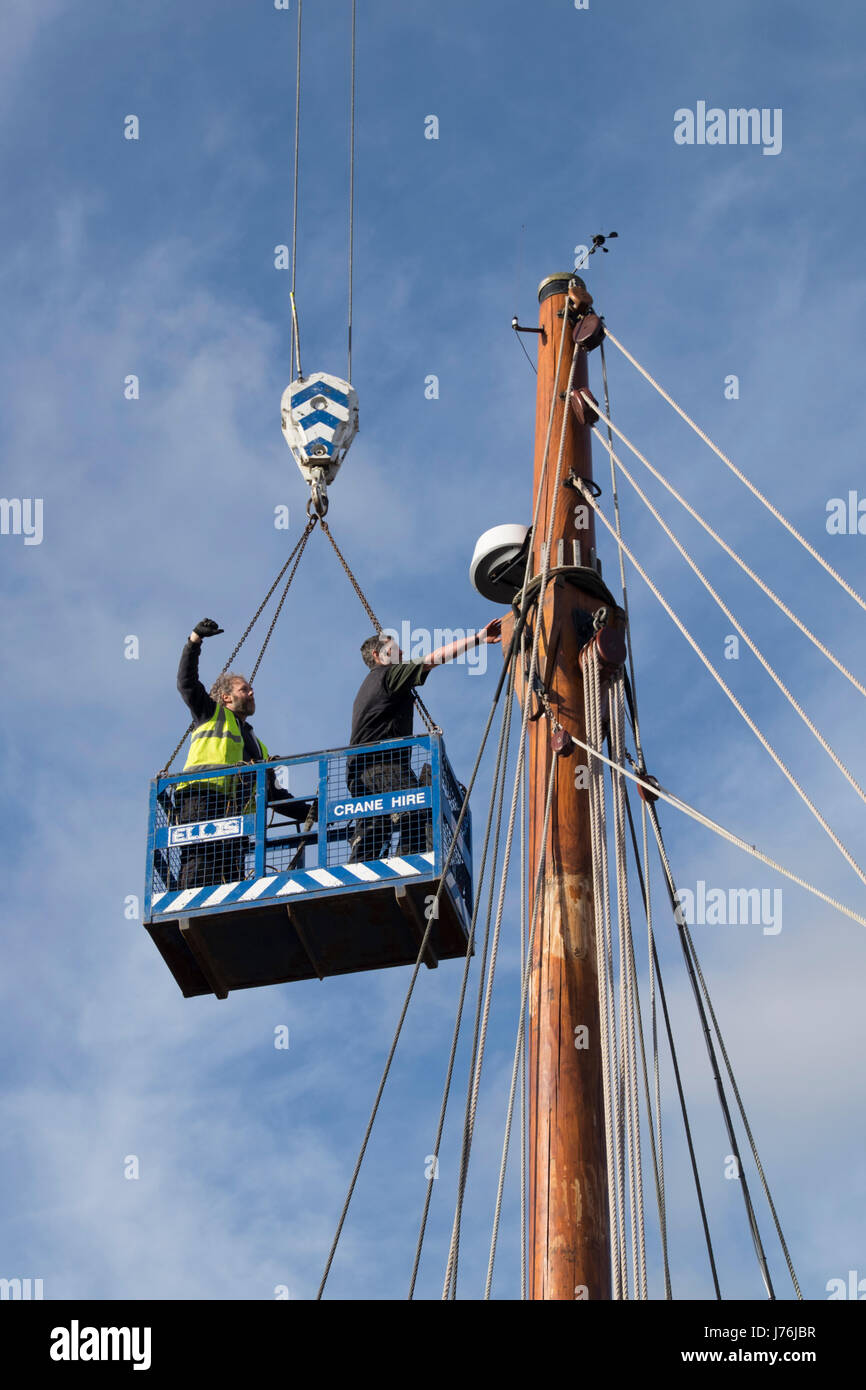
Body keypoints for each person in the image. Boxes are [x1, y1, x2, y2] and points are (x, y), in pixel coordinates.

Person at [347, 621, 501, 863]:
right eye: (394, 650)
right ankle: (411, 864)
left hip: (358, 773)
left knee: (375, 824)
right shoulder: (389, 674)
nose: (401, 654)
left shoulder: (366, 688)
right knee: (420, 807)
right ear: (378, 656)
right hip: (383, 765)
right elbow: (433, 658)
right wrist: (479, 639)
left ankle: (359, 870)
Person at [172, 618, 310, 889]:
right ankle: (188, 900)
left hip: (235, 813)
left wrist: (309, 813)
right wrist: (194, 641)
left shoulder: (258, 746)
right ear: (225, 697)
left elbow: (273, 794)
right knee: (200, 863)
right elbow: (186, 683)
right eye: (244, 689)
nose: (251, 692)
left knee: (231, 875)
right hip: (202, 797)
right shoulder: (210, 713)